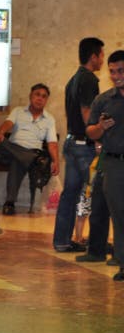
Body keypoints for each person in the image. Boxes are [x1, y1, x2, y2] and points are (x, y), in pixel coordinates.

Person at [53, 37, 105, 252]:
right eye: (101, 55)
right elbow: (87, 113)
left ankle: (62, 241)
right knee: (100, 193)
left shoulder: (73, 79)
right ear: (93, 57)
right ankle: (97, 245)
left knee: (70, 194)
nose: (102, 60)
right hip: (85, 146)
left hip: (71, 142)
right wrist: (98, 139)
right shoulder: (89, 79)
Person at [86, 50, 124, 281]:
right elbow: (90, 132)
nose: (116, 76)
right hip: (114, 164)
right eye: (112, 71)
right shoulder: (103, 100)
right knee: (119, 215)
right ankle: (123, 264)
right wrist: (101, 127)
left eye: (120, 71)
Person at [0, 83, 59, 214]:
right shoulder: (18, 111)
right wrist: (1, 132)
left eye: (44, 96)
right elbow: (8, 123)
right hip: (12, 149)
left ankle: (10, 203)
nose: (40, 98)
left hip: (29, 152)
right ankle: (34, 159)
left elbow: (52, 143)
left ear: (47, 100)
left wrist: (56, 161)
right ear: (30, 96)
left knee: (17, 161)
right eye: (37, 94)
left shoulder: (49, 119)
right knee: (2, 143)